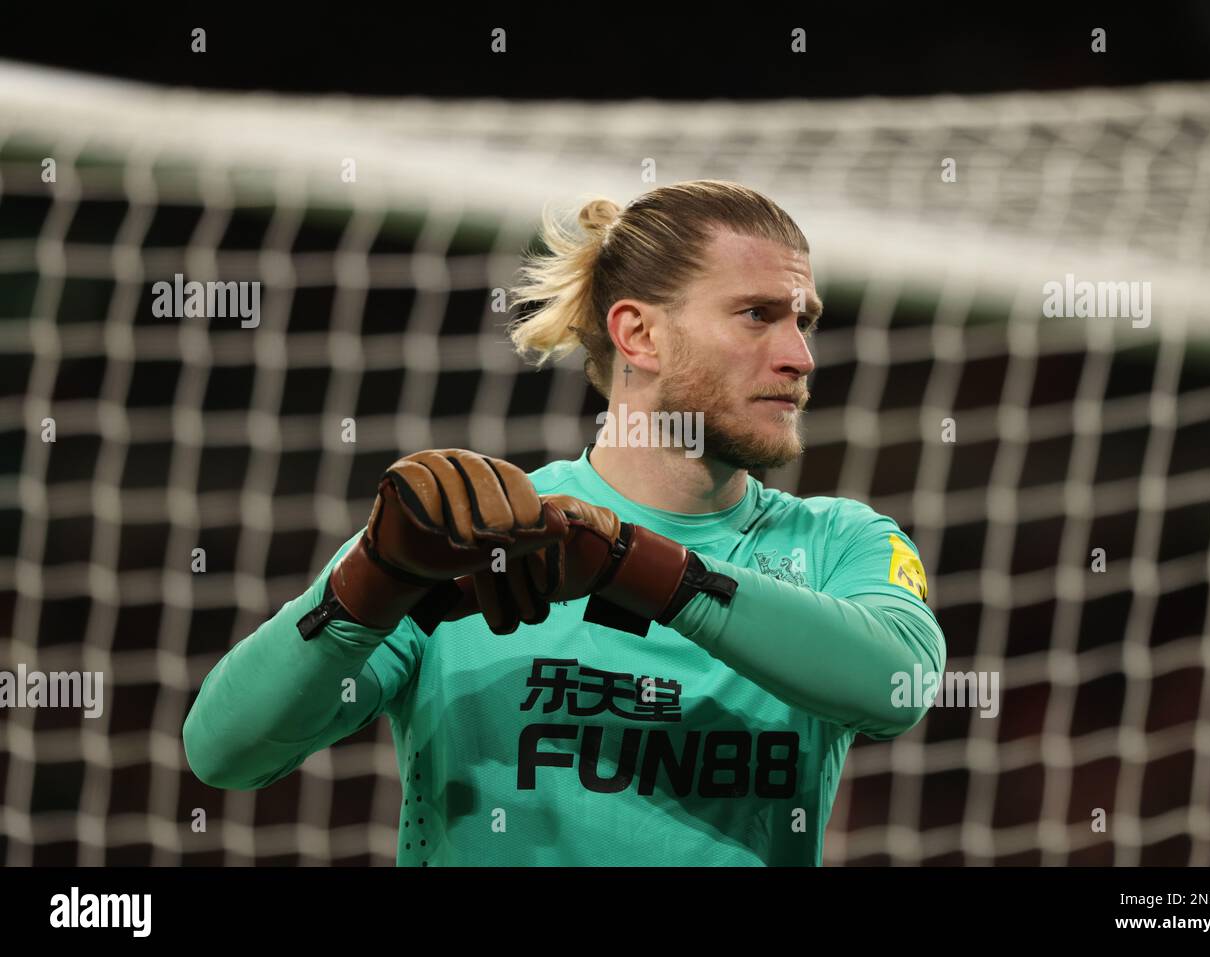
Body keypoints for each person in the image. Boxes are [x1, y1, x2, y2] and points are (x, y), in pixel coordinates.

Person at [183, 179, 946, 865]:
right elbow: (221, 751)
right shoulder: (477, 531)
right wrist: (371, 584)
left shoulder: (841, 543)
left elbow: (896, 684)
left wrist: (631, 565)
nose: (801, 355)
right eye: (758, 316)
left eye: (803, 319)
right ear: (638, 334)